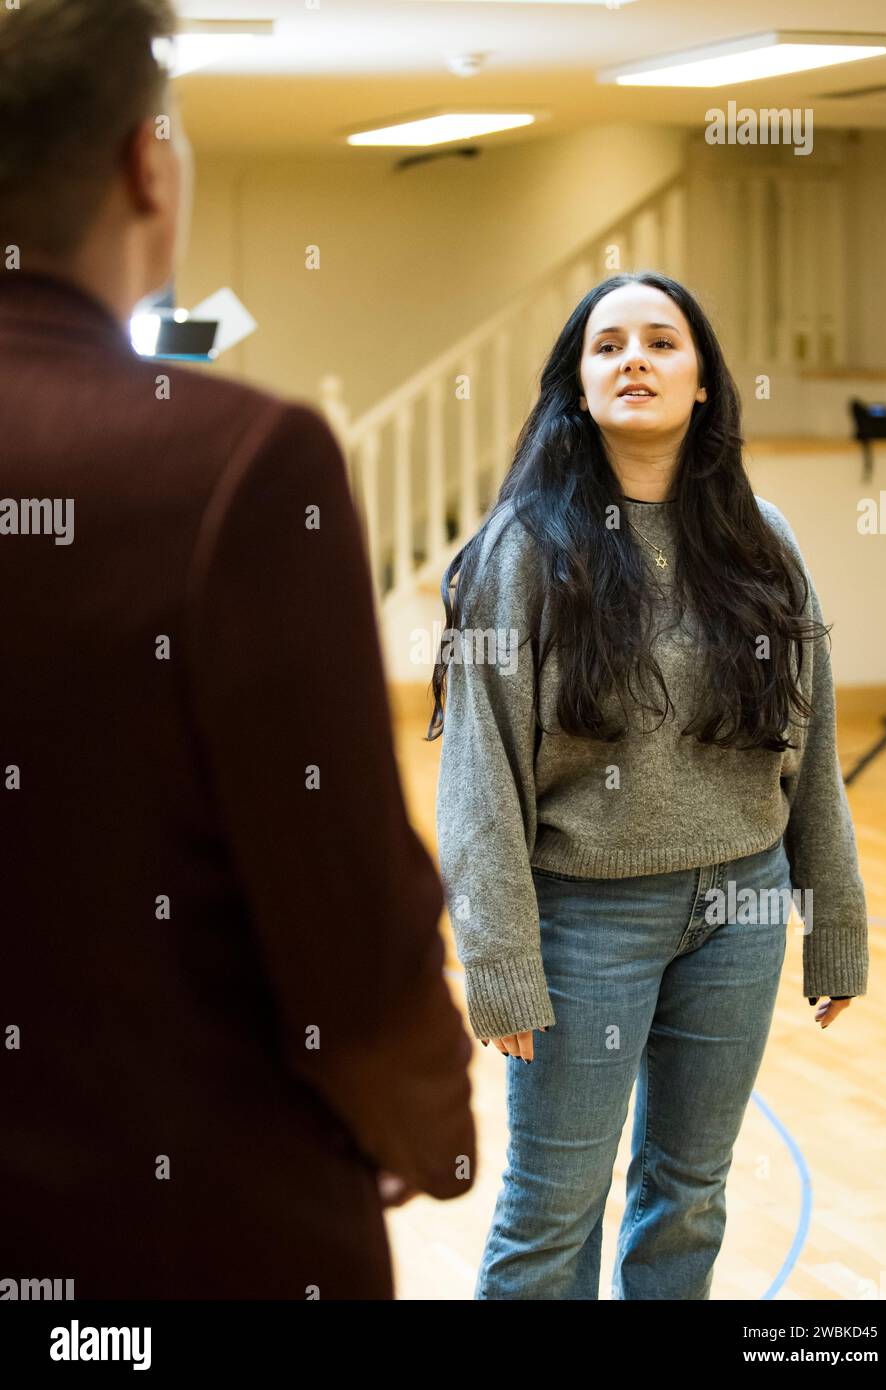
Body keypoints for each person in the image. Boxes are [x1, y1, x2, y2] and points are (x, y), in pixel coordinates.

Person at [0, 0, 474, 1300]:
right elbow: (348, 930)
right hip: (189, 1232)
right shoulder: (240, 467)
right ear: (147, 166)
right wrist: (427, 1124)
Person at [428, 270, 867, 1300]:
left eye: (662, 343)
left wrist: (832, 915)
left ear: (703, 380)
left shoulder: (764, 542)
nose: (635, 359)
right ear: (575, 387)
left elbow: (810, 736)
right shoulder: (522, 550)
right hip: (584, 920)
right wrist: (497, 957)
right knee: (551, 1215)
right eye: (608, 345)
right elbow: (477, 769)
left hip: (742, 911)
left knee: (690, 1196)